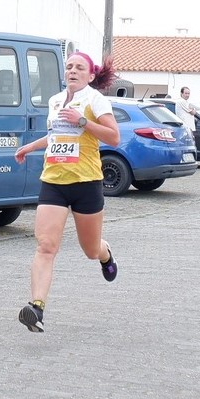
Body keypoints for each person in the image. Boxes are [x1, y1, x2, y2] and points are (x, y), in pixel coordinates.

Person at [14, 51, 121, 333]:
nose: (72, 71)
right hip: (53, 181)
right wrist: (30, 147)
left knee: (90, 249)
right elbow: (56, 135)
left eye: (79, 67)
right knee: (46, 246)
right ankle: (36, 307)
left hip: (86, 183)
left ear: (90, 75)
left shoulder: (95, 100)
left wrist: (83, 121)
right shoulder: (56, 101)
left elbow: (114, 137)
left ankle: (105, 254)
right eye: (69, 67)